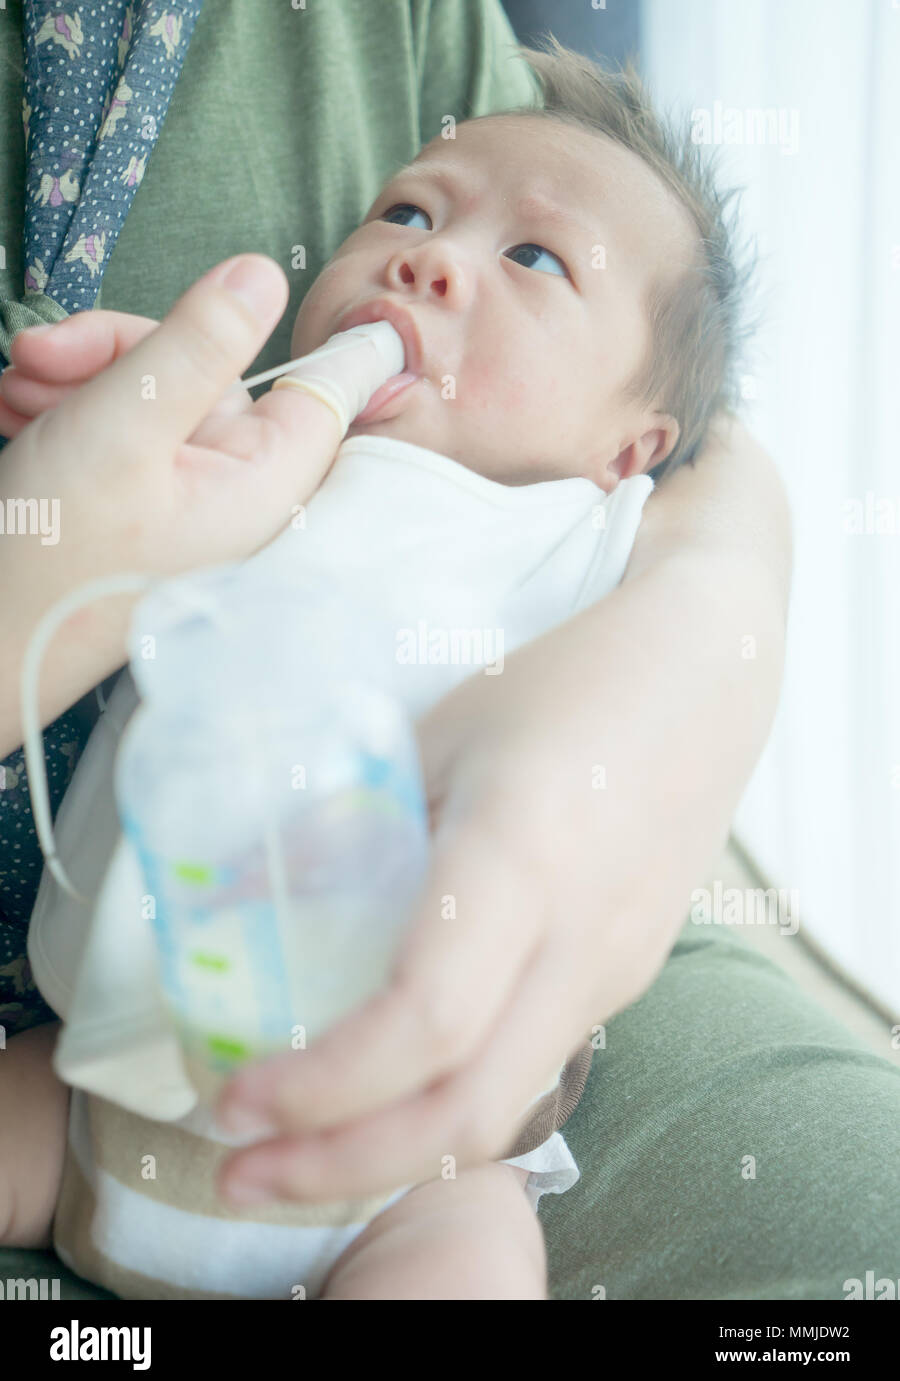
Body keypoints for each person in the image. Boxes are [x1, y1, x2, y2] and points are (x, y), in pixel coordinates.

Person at [1, 1, 896, 1302]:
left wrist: (706, 617)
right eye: (409, 215)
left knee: (469, 1254)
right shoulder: (259, 451)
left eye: (536, 260)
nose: (427, 262)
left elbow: (731, 495)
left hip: (405, 1165)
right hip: (91, 1074)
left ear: (631, 445)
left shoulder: (586, 533)